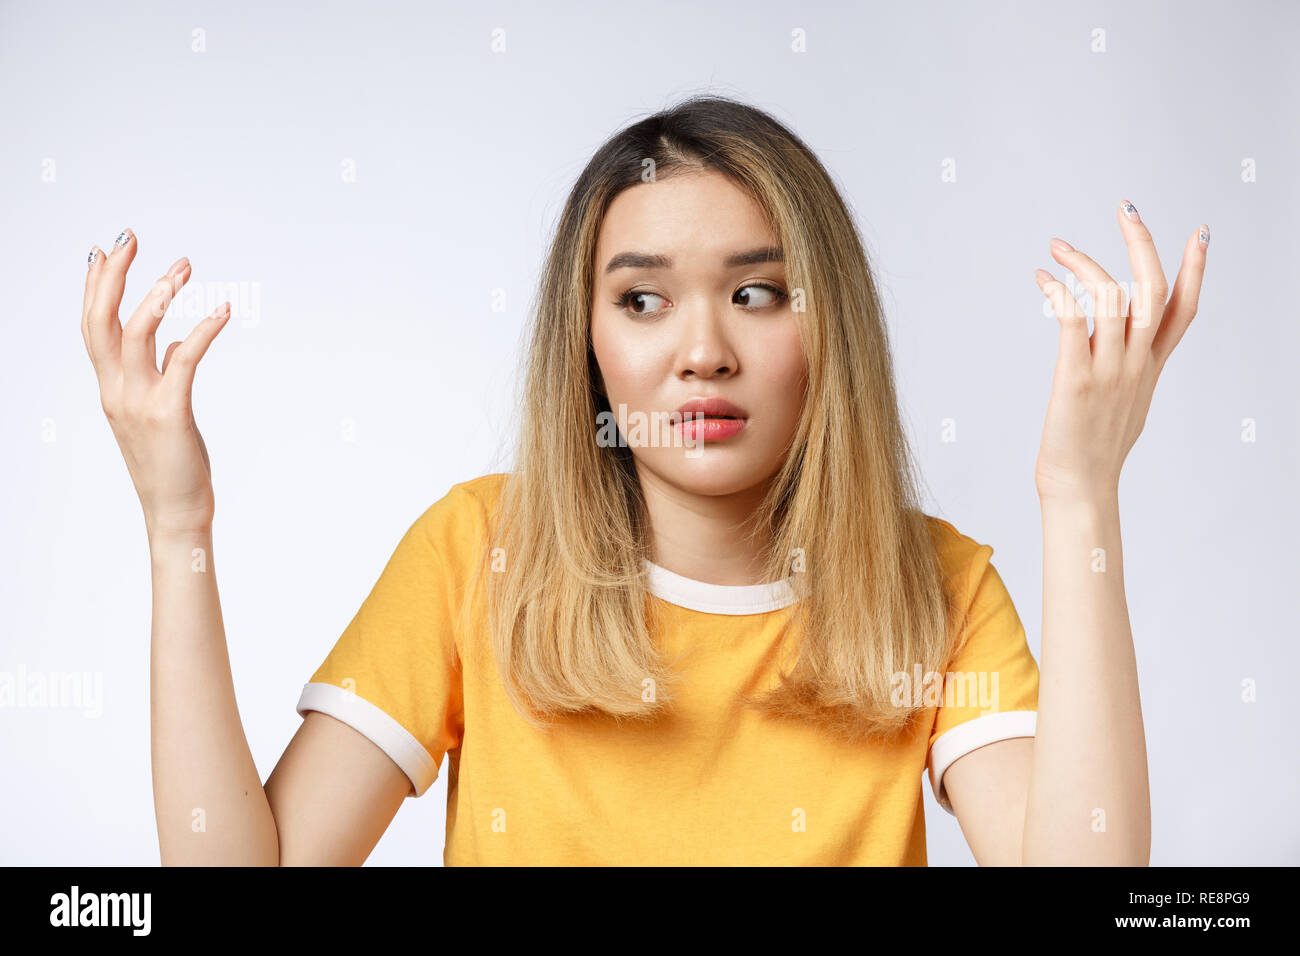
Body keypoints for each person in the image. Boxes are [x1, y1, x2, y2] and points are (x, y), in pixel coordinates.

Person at [81, 94, 1208, 866]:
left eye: (758, 293)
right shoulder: (479, 550)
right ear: (587, 340)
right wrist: (175, 521)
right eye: (641, 298)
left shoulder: (939, 586)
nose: (701, 349)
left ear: (832, 328)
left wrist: (1081, 490)